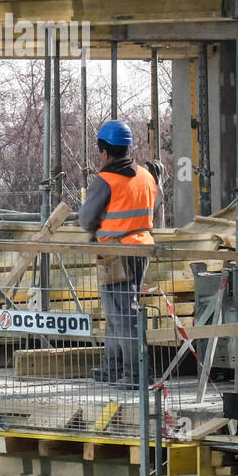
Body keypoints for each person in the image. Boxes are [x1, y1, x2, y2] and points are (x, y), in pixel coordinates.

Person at [78, 120, 162, 387]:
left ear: (105, 151)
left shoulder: (106, 180)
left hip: (115, 252)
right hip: (142, 248)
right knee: (118, 311)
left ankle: (136, 375)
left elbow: (85, 220)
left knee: (123, 315)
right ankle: (113, 368)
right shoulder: (146, 176)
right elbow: (157, 207)